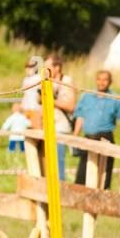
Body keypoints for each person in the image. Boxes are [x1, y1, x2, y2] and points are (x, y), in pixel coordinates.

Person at [72, 70, 120, 188]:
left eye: (105, 80)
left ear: (110, 82)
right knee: (83, 171)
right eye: (99, 79)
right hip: (88, 138)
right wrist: (75, 135)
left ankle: (102, 195)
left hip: (105, 137)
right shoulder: (86, 96)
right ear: (96, 80)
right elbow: (80, 116)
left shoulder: (115, 98)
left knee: (104, 172)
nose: (101, 82)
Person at [48, 53, 75, 182]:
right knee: (49, 165)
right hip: (48, 126)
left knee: (58, 165)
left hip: (60, 127)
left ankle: (60, 191)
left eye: (48, 67)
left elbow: (71, 106)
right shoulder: (48, 81)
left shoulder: (67, 81)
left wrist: (52, 101)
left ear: (57, 67)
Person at [21, 55, 43, 129]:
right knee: (27, 130)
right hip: (26, 109)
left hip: (35, 109)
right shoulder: (25, 80)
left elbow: (40, 94)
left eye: (31, 66)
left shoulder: (38, 78)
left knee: (36, 130)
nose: (28, 68)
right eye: (27, 66)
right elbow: (25, 95)